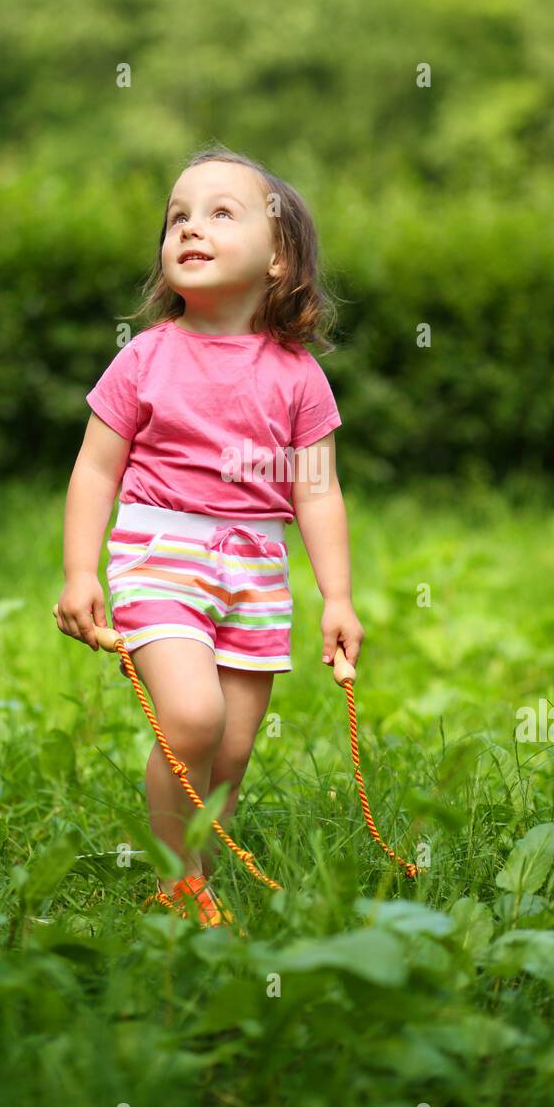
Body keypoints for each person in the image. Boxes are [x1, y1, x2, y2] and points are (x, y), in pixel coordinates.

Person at [55, 145, 364, 926]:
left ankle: (198, 855)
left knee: (229, 752)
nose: (190, 228)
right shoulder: (146, 359)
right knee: (192, 719)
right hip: (160, 555)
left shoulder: (297, 374)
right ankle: (174, 880)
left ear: (278, 256)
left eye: (221, 213)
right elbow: (95, 472)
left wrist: (338, 597)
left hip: (255, 570)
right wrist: (79, 572)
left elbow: (317, 492)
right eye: (177, 217)